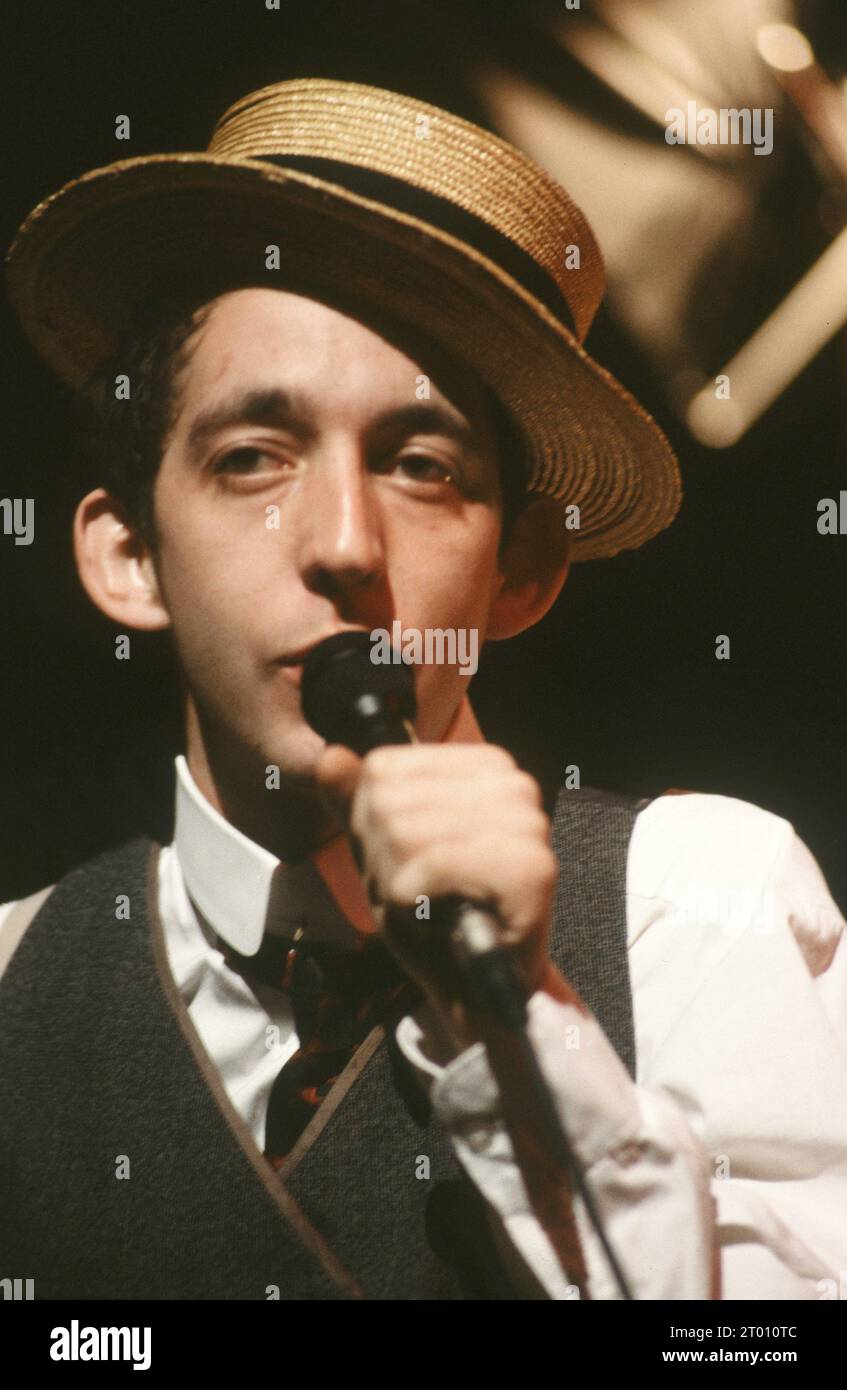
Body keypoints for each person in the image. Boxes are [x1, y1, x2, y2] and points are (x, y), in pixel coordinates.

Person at [1, 77, 845, 1302]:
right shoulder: (17, 976)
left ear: (522, 571)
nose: (344, 540)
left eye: (420, 463)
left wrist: (519, 1017)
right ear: (128, 556)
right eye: (253, 458)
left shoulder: (697, 905)